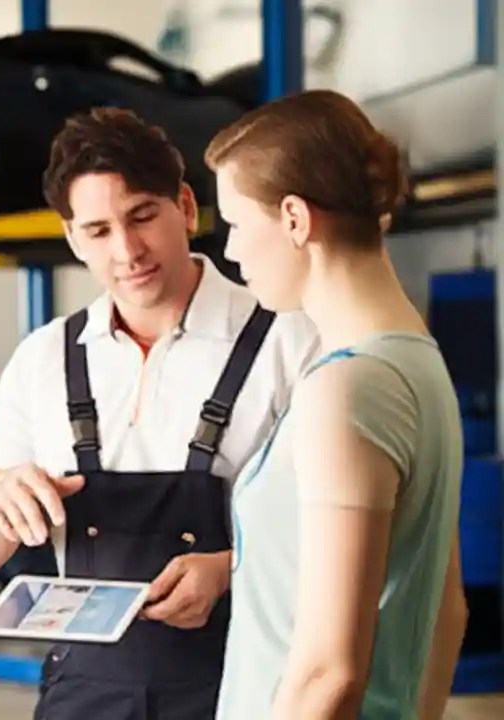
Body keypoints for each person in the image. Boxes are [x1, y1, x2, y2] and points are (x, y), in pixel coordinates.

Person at [0, 106, 320, 720]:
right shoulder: (44, 360)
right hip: (83, 697)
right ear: (72, 239)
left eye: (143, 215)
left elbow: (342, 537)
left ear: (187, 209)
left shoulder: (287, 342)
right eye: (97, 231)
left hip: (242, 690)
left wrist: (230, 569)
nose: (127, 250)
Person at [205, 89, 468, 720]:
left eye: (238, 225)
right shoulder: (417, 362)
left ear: (295, 218)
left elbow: (327, 675)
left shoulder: (345, 391)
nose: (232, 252)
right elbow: (448, 611)